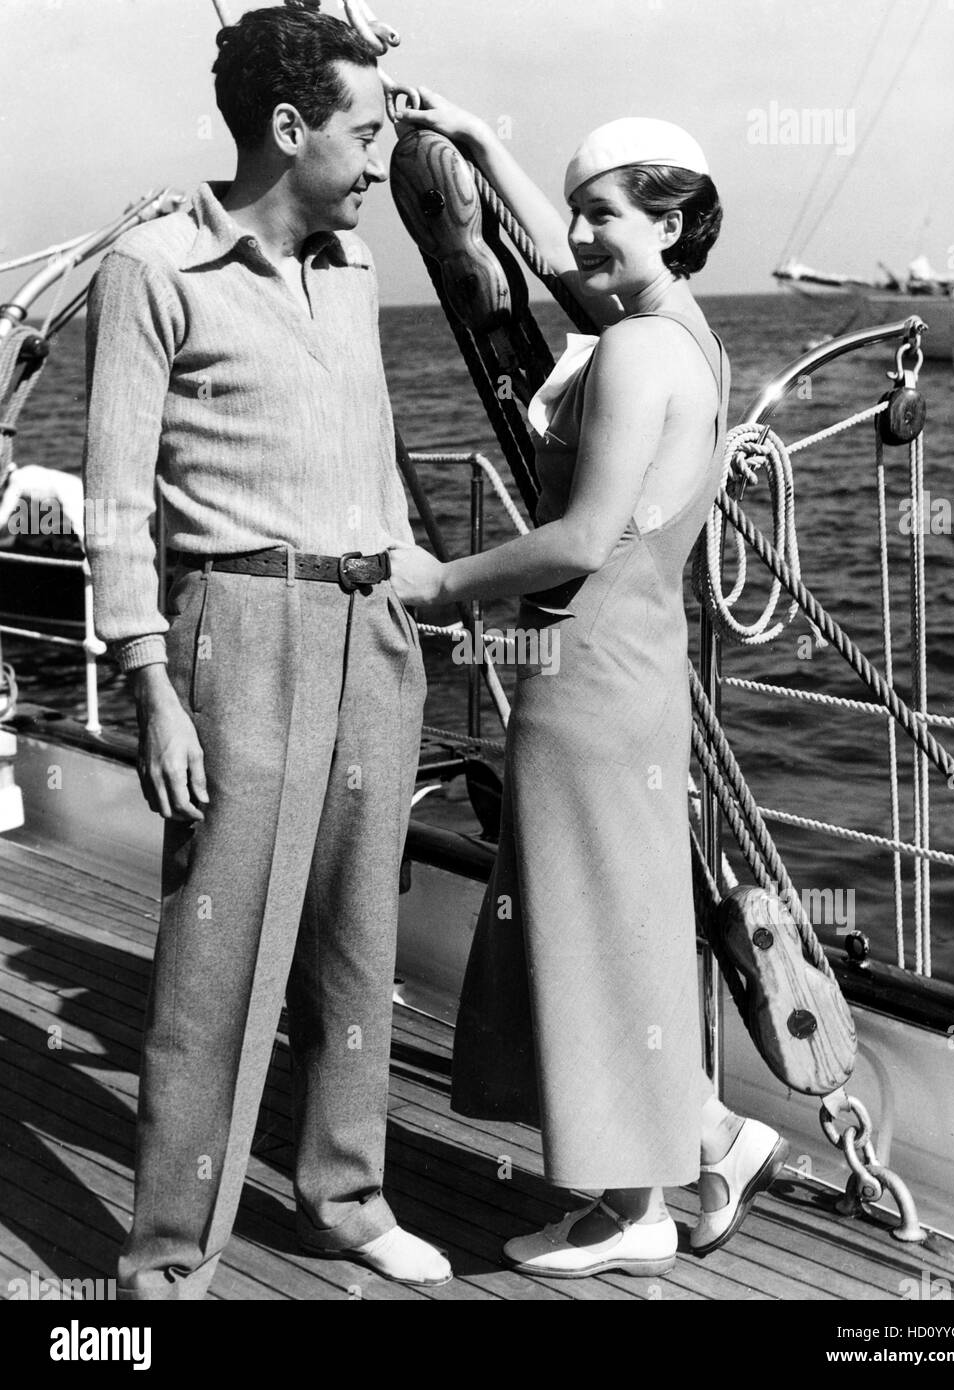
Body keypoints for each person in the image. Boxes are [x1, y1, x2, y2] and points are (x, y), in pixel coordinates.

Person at [82, 4, 451, 1298]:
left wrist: (407, 579)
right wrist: (149, 685)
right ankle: (167, 1260)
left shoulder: (352, 271)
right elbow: (117, 503)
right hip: (233, 630)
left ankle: (344, 1192)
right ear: (287, 130)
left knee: (359, 938)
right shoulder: (152, 270)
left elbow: (373, 451)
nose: (382, 150)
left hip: (370, 628)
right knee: (216, 962)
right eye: (365, 127)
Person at [391, 94, 788, 1277]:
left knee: (585, 927)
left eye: (607, 214)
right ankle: (713, 1135)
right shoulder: (689, 338)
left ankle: (631, 1211)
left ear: (670, 221)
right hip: (638, 667)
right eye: (578, 212)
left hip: (585, 668)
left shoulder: (627, 352)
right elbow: (559, 256)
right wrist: (473, 135)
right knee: (624, 920)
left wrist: (442, 579)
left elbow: (577, 539)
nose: (583, 234)